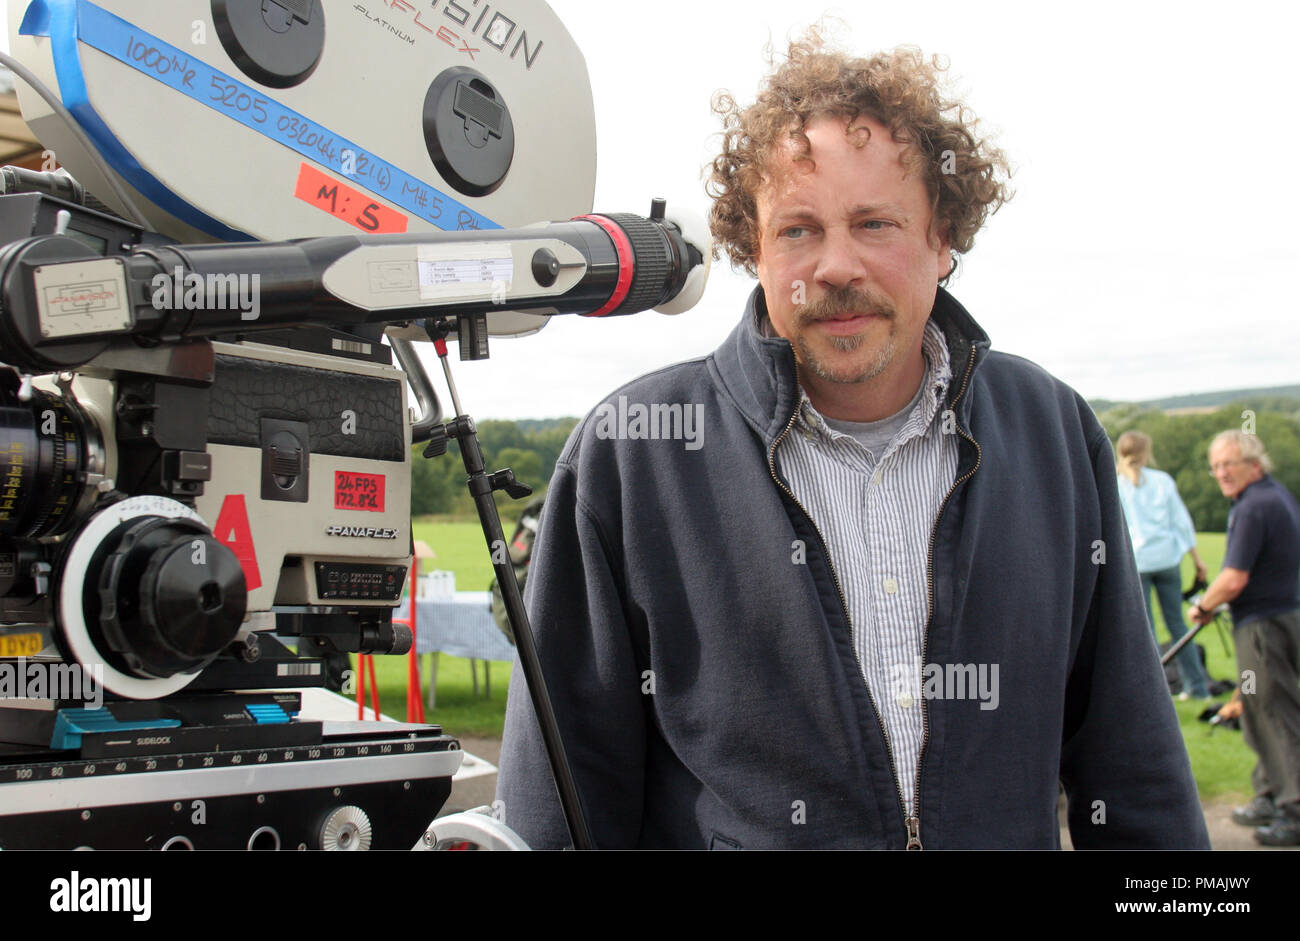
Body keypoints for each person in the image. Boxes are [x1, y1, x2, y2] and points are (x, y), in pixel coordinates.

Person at [496, 33, 1209, 849]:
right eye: (798, 230)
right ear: (752, 250)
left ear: (943, 240)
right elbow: (561, 794)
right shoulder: (631, 454)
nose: (835, 266)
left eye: (875, 223)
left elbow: (1133, 758)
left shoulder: (1052, 430)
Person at [1191, 431, 1300, 846]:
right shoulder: (1274, 497)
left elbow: (1234, 578)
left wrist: (1204, 605)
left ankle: (1294, 811)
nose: (1220, 473)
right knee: (1256, 710)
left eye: (1228, 464)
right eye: (1215, 465)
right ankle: (1270, 794)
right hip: (1277, 619)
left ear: (1254, 464)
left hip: (1263, 627)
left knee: (1277, 714)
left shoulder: (1254, 507)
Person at [1114, 431, 1212, 700]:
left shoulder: (1115, 483)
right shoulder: (1162, 481)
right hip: (1168, 559)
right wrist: (1197, 559)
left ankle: (1156, 693)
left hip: (1137, 561)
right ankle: (1197, 687)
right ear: (1147, 453)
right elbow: (1181, 522)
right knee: (1178, 625)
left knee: (1146, 629)